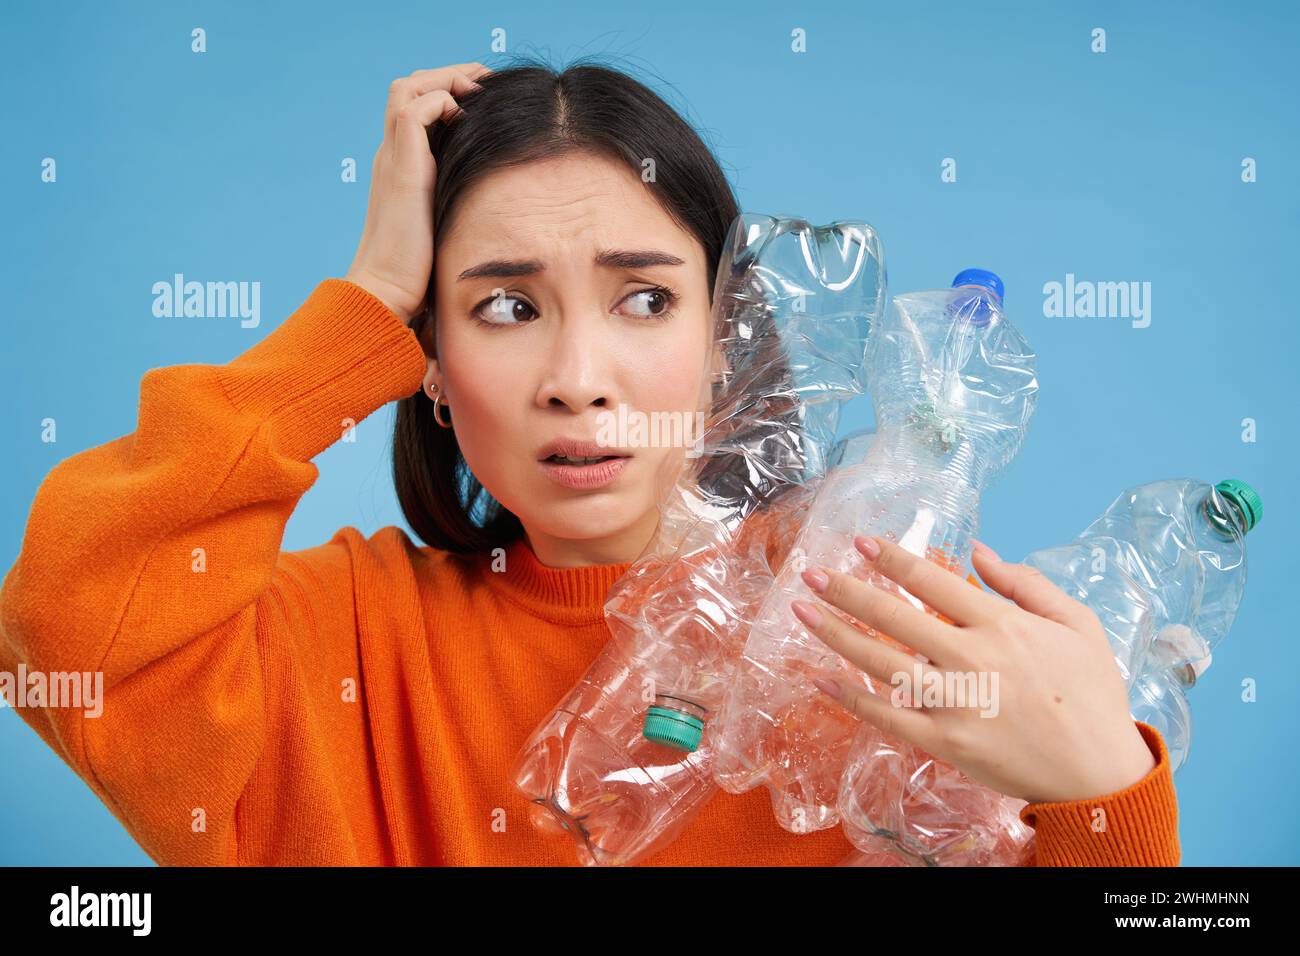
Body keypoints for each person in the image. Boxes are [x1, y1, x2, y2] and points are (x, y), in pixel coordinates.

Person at [0, 58, 1178, 866]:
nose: (578, 373)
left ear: (723, 344)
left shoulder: (878, 630)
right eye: (505, 307)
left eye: (646, 298)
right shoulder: (334, 644)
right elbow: (65, 623)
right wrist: (360, 306)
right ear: (427, 359)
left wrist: (1102, 789)